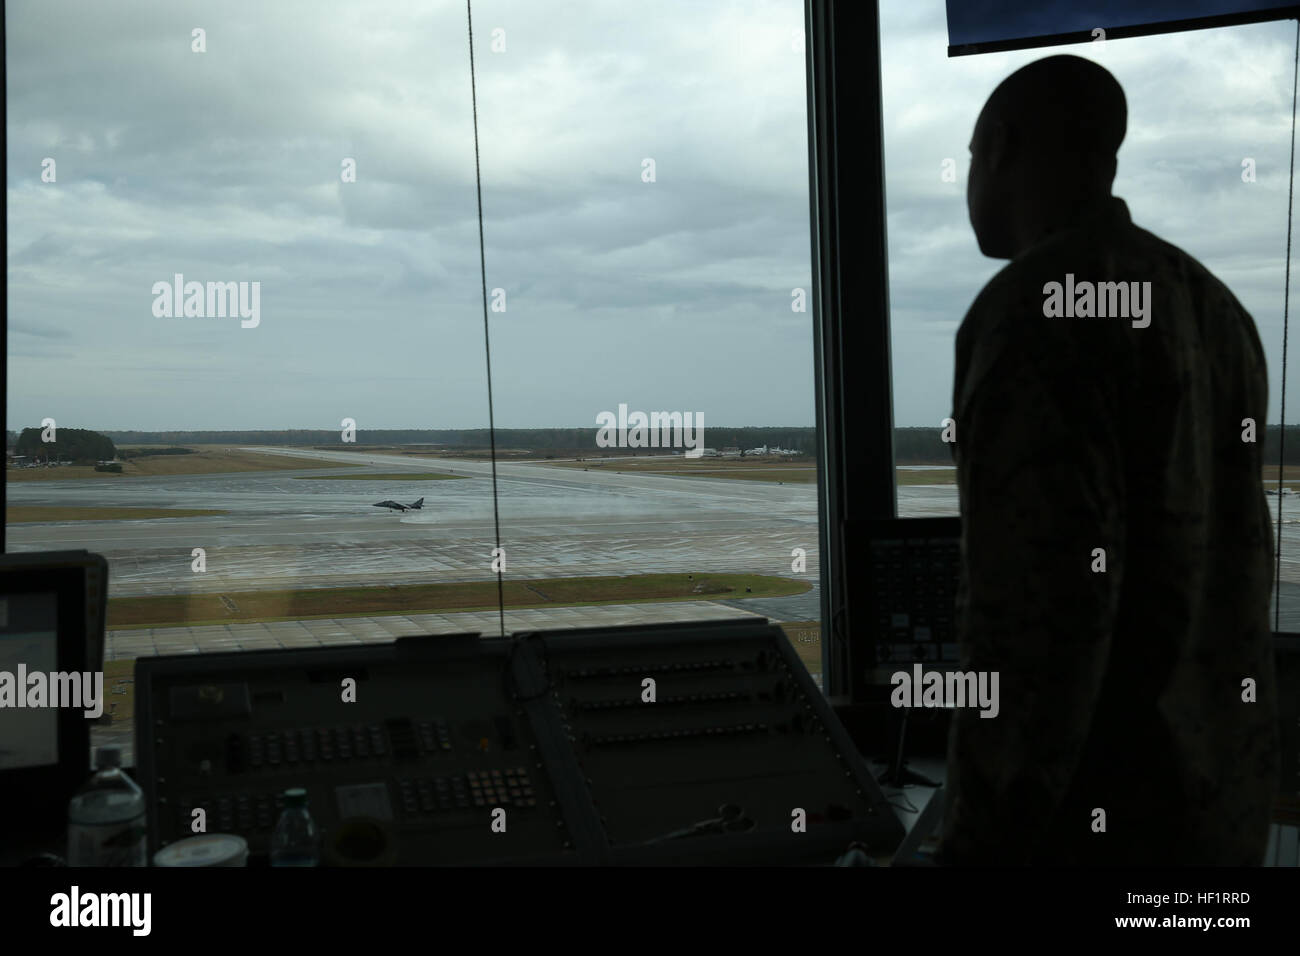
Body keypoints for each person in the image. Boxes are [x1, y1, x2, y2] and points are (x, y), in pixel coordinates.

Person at [939, 54, 1278, 864]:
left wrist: (977, 839)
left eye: (973, 155)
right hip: (1211, 819)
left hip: (1091, 823)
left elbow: (1037, 627)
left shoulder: (1034, 310)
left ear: (1006, 146)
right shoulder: (1216, 307)